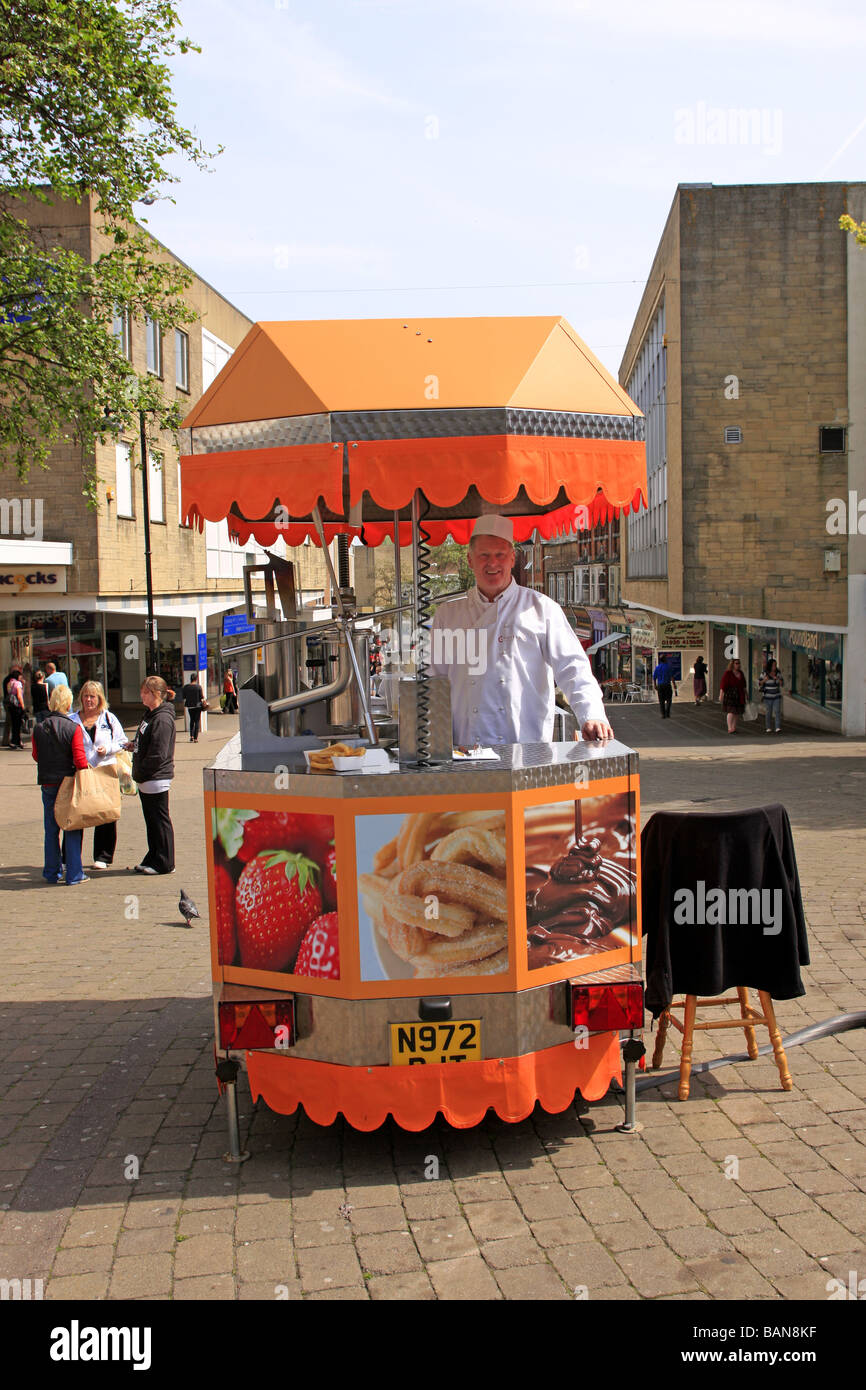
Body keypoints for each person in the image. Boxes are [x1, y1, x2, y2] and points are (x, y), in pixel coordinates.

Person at [428, 515, 613, 745]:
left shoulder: (542, 608)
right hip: (464, 751)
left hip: (527, 750)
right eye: (484, 555)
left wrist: (592, 714)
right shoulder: (448, 615)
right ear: (470, 560)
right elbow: (435, 682)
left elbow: (573, 667)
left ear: (513, 558)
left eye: (500, 555)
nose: (492, 563)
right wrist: (431, 743)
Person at [31, 685, 90, 885]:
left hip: (47, 782)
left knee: (51, 829)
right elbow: (80, 760)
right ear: (68, 704)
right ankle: (74, 874)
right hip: (68, 783)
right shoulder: (73, 728)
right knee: (71, 827)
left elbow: (36, 755)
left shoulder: (39, 727)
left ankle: (51, 872)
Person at [70, 681, 127, 869]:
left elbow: (123, 742)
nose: (88, 700)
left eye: (92, 696)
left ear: (100, 698)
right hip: (80, 772)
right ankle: (69, 857)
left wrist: (108, 748)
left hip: (105, 772)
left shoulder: (109, 719)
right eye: (85, 696)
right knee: (77, 814)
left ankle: (103, 857)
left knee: (105, 814)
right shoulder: (72, 720)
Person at [127, 676, 176, 874]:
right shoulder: (149, 715)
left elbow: (159, 753)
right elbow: (145, 740)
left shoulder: (162, 719)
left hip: (155, 778)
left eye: (146, 692)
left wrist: (143, 770)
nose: (142, 695)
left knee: (159, 820)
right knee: (152, 821)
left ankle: (164, 861)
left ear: (156, 694)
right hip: (147, 778)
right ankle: (154, 856)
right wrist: (134, 744)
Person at [720, 657, 748, 734]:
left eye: (739, 663)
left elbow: (744, 685)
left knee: (737, 712)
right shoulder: (728, 673)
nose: (738, 665)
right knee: (731, 711)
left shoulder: (741, 673)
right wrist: (721, 695)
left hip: (739, 694)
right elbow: (723, 685)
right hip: (730, 694)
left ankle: (734, 727)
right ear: (732, 664)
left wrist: (746, 694)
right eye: (736, 663)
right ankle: (729, 727)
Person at [759, 659, 784, 734]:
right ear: (770, 666)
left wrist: (778, 679)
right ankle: (768, 727)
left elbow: (782, 683)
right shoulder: (764, 673)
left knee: (777, 711)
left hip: (776, 695)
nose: (774, 667)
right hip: (767, 696)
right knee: (768, 712)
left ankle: (777, 727)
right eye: (773, 665)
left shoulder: (778, 673)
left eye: (775, 665)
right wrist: (764, 680)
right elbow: (759, 683)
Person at [181, 672, 205, 743]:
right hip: (198, 706)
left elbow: (184, 697)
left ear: (190, 679)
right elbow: (201, 697)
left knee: (192, 720)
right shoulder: (198, 687)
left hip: (190, 706)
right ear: (196, 679)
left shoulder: (186, 687)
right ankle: (195, 738)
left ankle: (191, 736)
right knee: (197, 721)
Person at [6, 667, 26, 748]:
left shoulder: (10, 683)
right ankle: (17, 741)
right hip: (17, 706)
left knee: (14, 724)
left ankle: (14, 741)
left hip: (11, 705)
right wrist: (23, 706)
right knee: (18, 724)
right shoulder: (18, 683)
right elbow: (19, 695)